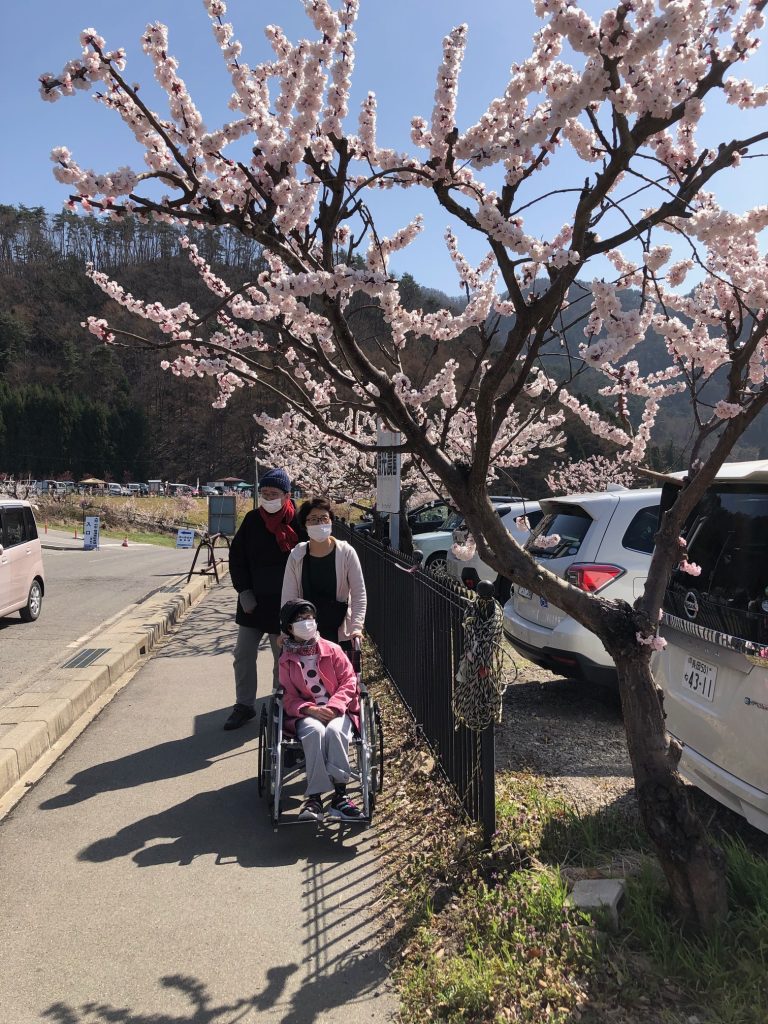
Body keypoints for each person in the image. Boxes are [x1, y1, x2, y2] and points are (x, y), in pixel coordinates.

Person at [224, 467, 299, 730]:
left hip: (286, 604)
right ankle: (244, 705)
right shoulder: (252, 520)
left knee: (283, 658)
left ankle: (280, 706)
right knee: (243, 654)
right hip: (253, 602)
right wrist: (243, 591)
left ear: (287, 495)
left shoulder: (298, 522)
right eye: (264, 493)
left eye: (273, 493)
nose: (268, 498)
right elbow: (237, 558)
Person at [279, 598, 362, 821]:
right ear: (290, 628)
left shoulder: (333, 650)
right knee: (315, 731)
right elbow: (287, 696)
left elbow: (349, 681)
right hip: (307, 713)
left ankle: (340, 796)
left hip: (338, 709)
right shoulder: (286, 660)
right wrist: (309, 710)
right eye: (300, 619)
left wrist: (334, 707)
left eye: (310, 618)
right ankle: (314, 798)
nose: (307, 622)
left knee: (335, 731)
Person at [281, 497, 366, 651]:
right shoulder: (297, 556)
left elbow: (358, 593)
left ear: (331, 521)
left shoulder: (346, 553)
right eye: (313, 519)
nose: (319, 523)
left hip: (338, 630)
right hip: (305, 631)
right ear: (305, 524)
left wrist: (356, 627)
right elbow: (289, 597)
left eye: (324, 518)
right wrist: (286, 631)